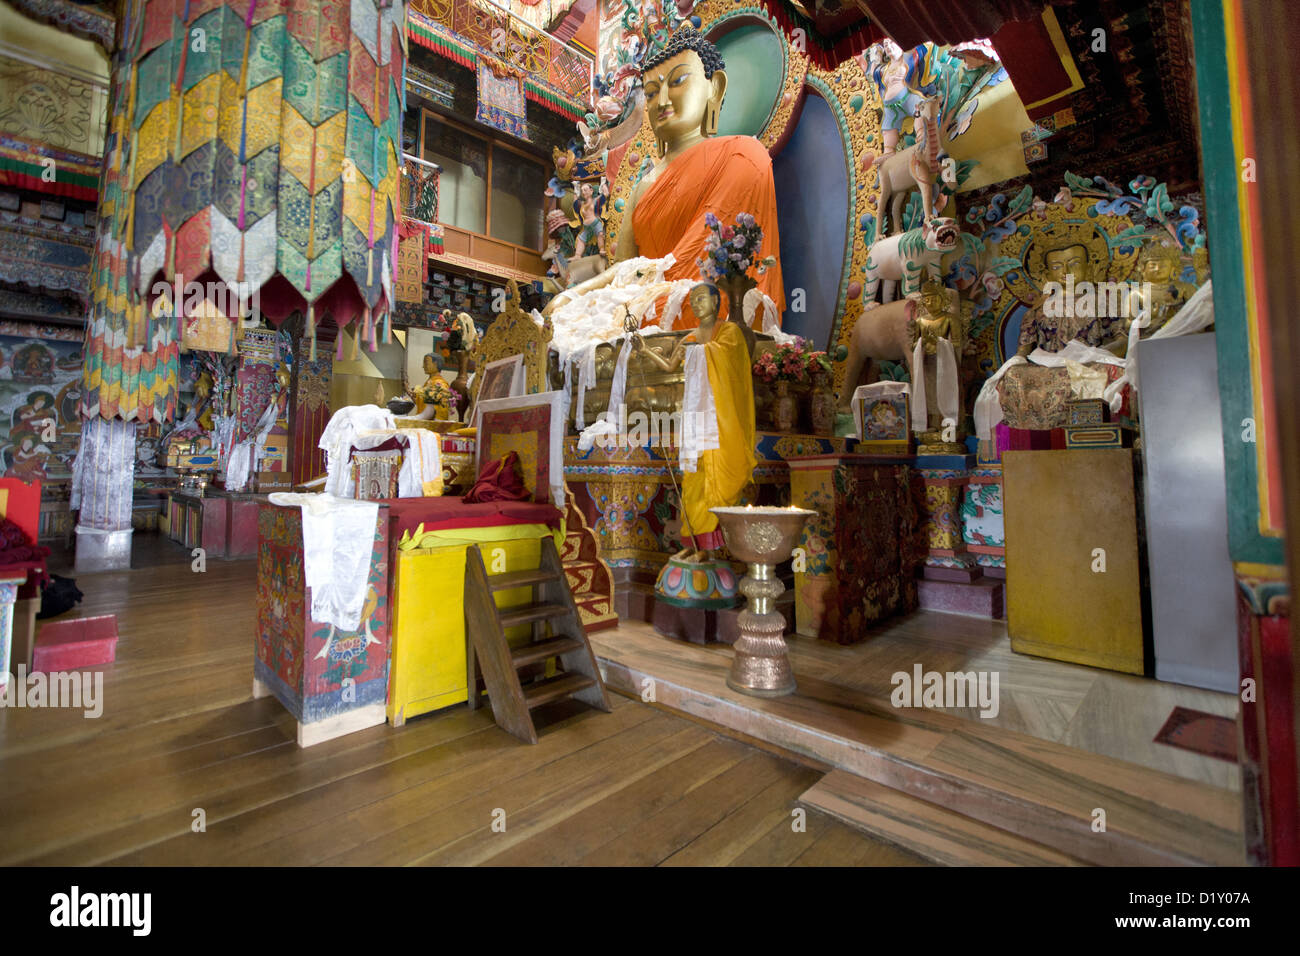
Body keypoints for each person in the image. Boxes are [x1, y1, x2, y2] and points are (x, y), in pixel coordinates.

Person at [546, 24, 785, 329]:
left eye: (678, 81)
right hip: (641, 303)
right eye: (651, 92)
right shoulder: (644, 184)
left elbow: (716, 270)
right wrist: (574, 296)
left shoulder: (743, 155)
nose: (662, 100)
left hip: (700, 307)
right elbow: (628, 270)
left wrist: (648, 299)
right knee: (562, 317)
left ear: (715, 87)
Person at [633, 282, 755, 561]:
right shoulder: (689, 338)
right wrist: (644, 349)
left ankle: (713, 547)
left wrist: (702, 352)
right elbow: (669, 366)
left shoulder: (730, 333)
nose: (697, 304)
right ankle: (692, 541)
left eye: (702, 298)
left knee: (718, 478)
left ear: (716, 301)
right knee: (693, 481)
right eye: (693, 300)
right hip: (696, 420)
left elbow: (732, 363)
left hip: (720, 421)